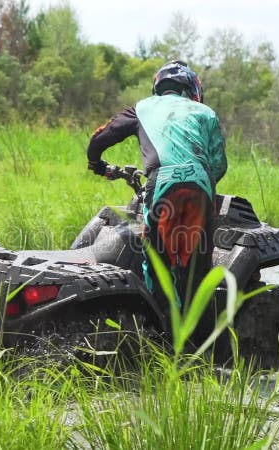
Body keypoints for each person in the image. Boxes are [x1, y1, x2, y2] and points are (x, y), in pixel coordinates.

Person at [86, 60, 227, 329]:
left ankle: (160, 335)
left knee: (156, 264)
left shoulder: (142, 107)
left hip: (162, 185)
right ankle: (198, 339)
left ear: (158, 86)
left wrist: (97, 164)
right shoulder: (206, 112)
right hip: (200, 186)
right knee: (196, 269)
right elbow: (219, 165)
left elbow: (100, 138)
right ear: (193, 89)